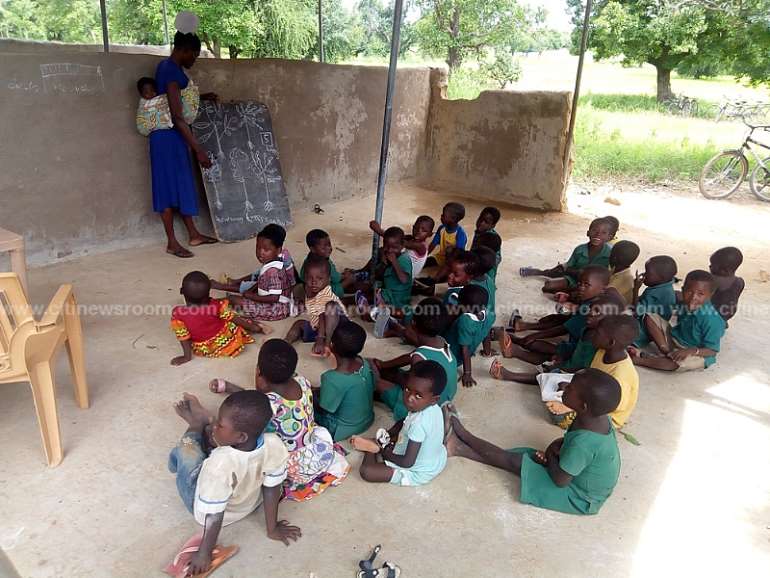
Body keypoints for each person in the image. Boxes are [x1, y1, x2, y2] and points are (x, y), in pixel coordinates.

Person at [446, 368, 622, 515]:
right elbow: (573, 441)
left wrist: (551, 456)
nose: (565, 387)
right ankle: (458, 448)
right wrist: (555, 451)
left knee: (516, 461)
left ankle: (463, 435)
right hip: (574, 474)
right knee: (521, 457)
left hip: (578, 496)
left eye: (571, 388)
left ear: (583, 406)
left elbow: (560, 480)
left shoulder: (585, 443)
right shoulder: (595, 418)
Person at [168, 391, 300, 574]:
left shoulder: (219, 464)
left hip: (205, 505)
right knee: (215, 441)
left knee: (187, 450)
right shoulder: (274, 444)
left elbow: (214, 514)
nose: (216, 427)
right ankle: (207, 427)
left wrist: (204, 553)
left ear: (241, 437)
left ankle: (197, 424)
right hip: (248, 504)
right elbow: (272, 488)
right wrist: (272, 528)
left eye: (219, 425)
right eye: (217, 423)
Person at [210, 339, 350, 501]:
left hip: (292, 466)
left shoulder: (270, 404)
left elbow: (251, 405)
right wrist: (228, 387)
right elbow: (257, 400)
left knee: (243, 439)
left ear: (259, 373)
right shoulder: (302, 382)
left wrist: (230, 388)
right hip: (318, 452)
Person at [150, 31, 218, 258]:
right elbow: (177, 115)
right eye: (194, 55)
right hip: (167, 137)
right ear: (185, 50)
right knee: (167, 189)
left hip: (175, 137)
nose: (194, 60)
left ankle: (193, 234)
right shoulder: (169, 71)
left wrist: (204, 96)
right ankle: (172, 242)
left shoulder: (173, 70)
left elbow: (178, 101)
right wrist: (199, 149)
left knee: (181, 184)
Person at [351, 360, 448, 486]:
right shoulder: (433, 408)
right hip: (436, 460)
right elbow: (405, 421)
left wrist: (387, 454)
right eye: (407, 389)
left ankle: (372, 449)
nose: (409, 398)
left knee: (367, 472)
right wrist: (390, 433)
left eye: (418, 396)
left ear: (434, 399)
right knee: (400, 424)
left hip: (417, 471)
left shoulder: (418, 424)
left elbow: (407, 462)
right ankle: (381, 443)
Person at [533, 315, 640, 430]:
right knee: (557, 373)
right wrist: (571, 386)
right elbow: (590, 377)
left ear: (610, 342)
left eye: (597, 333)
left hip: (603, 417)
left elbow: (607, 407)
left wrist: (568, 405)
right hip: (591, 396)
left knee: (558, 414)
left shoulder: (621, 376)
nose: (593, 335)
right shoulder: (601, 352)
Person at [490, 292, 627, 380]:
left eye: (597, 312)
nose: (591, 312)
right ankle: (514, 348)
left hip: (575, 373)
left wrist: (561, 367)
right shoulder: (588, 327)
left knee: (547, 376)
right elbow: (575, 349)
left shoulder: (599, 343)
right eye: (592, 308)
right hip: (571, 357)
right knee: (544, 352)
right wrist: (561, 357)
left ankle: (509, 375)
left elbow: (584, 368)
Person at [500, 266, 610, 365]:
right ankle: (522, 330)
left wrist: (534, 336)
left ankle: (517, 343)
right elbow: (571, 320)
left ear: (602, 289)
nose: (581, 287)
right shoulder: (594, 300)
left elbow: (563, 329)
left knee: (534, 344)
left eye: (587, 285)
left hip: (577, 349)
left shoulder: (591, 309)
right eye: (580, 283)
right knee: (557, 318)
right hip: (577, 342)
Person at [373, 298, 457, 421]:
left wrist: (384, 372)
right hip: (444, 395)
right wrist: (383, 364)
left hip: (424, 406)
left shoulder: (419, 357)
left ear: (413, 324)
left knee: (376, 382)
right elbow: (410, 356)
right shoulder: (440, 341)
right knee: (390, 372)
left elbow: (410, 385)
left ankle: (375, 393)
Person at [631, 270, 726, 372]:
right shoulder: (684, 304)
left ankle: (639, 360)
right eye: (689, 292)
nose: (693, 297)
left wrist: (690, 351)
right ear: (683, 290)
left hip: (696, 352)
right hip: (676, 339)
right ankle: (667, 352)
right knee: (649, 316)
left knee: (677, 364)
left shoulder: (712, 320)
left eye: (700, 294)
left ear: (710, 295)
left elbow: (712, 351)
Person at [170, 271, 264, 366]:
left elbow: (183, 336)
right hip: (226, 341)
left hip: (205, 348)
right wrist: (252, 327)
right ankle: (253, 326)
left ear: (181, 291)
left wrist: (186, 356)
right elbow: (232, 318)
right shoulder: (215, 305)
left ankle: (250, 324)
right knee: (232, 318)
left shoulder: (177, 314)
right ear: (208, 294)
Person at [211, 224, 295, 322]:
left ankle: (206, 306)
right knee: (243, 294)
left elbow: (274, 297)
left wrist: (250, 296)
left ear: (278, 250)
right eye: (258, 248)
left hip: (276, 310)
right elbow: (260, 282)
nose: (260, 253)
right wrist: (249, 292)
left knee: (233, 299)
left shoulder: (273, 272)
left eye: (266, 250)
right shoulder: (273, 263)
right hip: (272, 299)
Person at [315, 320, 376, 441]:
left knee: (307, 402)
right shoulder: (365, 363)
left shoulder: (331, 378)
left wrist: (309, 397)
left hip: (342, 429)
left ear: (331, 345)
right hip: (368, 419)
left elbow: (325, 408)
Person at [520, 217, 613, 294]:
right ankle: (539, 272)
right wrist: (577, 272)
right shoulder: (580, 249)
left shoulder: (610, 253)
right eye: (594, 230)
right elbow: (568, 268)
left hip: (593, 285)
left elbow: (609, 276)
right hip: (574, 279)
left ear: (610, 237)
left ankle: (568, 293)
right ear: (588, 233)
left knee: (589, 295)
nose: (598, 234)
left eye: (603, 233)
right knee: (548, 286)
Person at [354, 227, 414, 335]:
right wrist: (384, 264)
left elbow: (404, 279)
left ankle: (377, 314)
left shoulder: (404, 259)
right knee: (373, 290)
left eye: (394, 247)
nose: (390, 250)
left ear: (402, 245)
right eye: (387, 246)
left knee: (404, 312)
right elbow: (380, 275)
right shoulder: (387, 254)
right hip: (388, 294)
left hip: (399, 298)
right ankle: (382, 317)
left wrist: (394, 262)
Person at [286, 254, 345, 356]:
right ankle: (285, 343)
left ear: (328, 279)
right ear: (305, 278)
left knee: (331, 306)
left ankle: (327, 345)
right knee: (299, 323)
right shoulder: (309, 290)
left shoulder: (325, 294)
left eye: (320, 278)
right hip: (319, 328)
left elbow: (322, 315)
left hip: (338, 327)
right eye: (310, 278)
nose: (314, 282)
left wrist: (320, 339)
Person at [444, 284, 488, 388]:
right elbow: (486, 331)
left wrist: (467, 374)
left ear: (461, 304)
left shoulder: (465, 321)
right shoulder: (489, 314)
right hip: (469, 347)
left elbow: (465, 350)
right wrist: (487, 351)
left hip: (451, 353)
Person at [369, 215, 436, 282]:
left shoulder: (421, 246)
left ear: (430, 234)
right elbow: (396, 237)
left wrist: (379, 230)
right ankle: (367, 271)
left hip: (405, 275)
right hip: (402, 267)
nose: (419, 231)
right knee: (384, 250)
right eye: (416, 228)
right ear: (413, 227)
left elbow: (398, 242)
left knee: (384, 254)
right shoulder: (410, 238)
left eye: (424, 230)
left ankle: (373, 277)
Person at [632, 255, 678, 345]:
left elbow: (637, 311)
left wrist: (635, 290)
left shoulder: (658, 293)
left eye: (648, 273)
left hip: (643, 331)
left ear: (661, 278)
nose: (644, 275)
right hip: (647, 323)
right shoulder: (662, 286)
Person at [419, 202, 468, 284]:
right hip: (440, 257)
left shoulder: (460, 234)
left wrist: (449, 264)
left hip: (452, 260)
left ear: (453, 219)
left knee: (444, 273)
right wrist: (423, 256)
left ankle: (433, 281)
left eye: (443, 215)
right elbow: (433, 244)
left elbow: (459, 254)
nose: (441, 216)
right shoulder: (442, 229)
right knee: (425, 262)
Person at [299, 229, 344, 298]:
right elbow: (336, 279)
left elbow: (302, 277)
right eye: (324, 248)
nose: (329, 248)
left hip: (309, 289)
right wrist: (345, 277)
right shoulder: (325, 263)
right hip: (322, 293)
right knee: (341, 284)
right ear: (313, 249)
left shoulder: (307, 260)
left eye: (329, 245)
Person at [470, 246, 498, 356]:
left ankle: (470, 351)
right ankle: (487, 351)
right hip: (488, 316)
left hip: (476, 317)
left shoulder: (471, 284)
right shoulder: (489, 279)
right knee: (485, 331)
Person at [709, 246, 744, 326]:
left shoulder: (713, 281)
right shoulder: (740, 281)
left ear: (724, 271)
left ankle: (715, 324)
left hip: (712, 312)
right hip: (729, 312)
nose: (710, 267)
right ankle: (721, 322)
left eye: (713, 265)